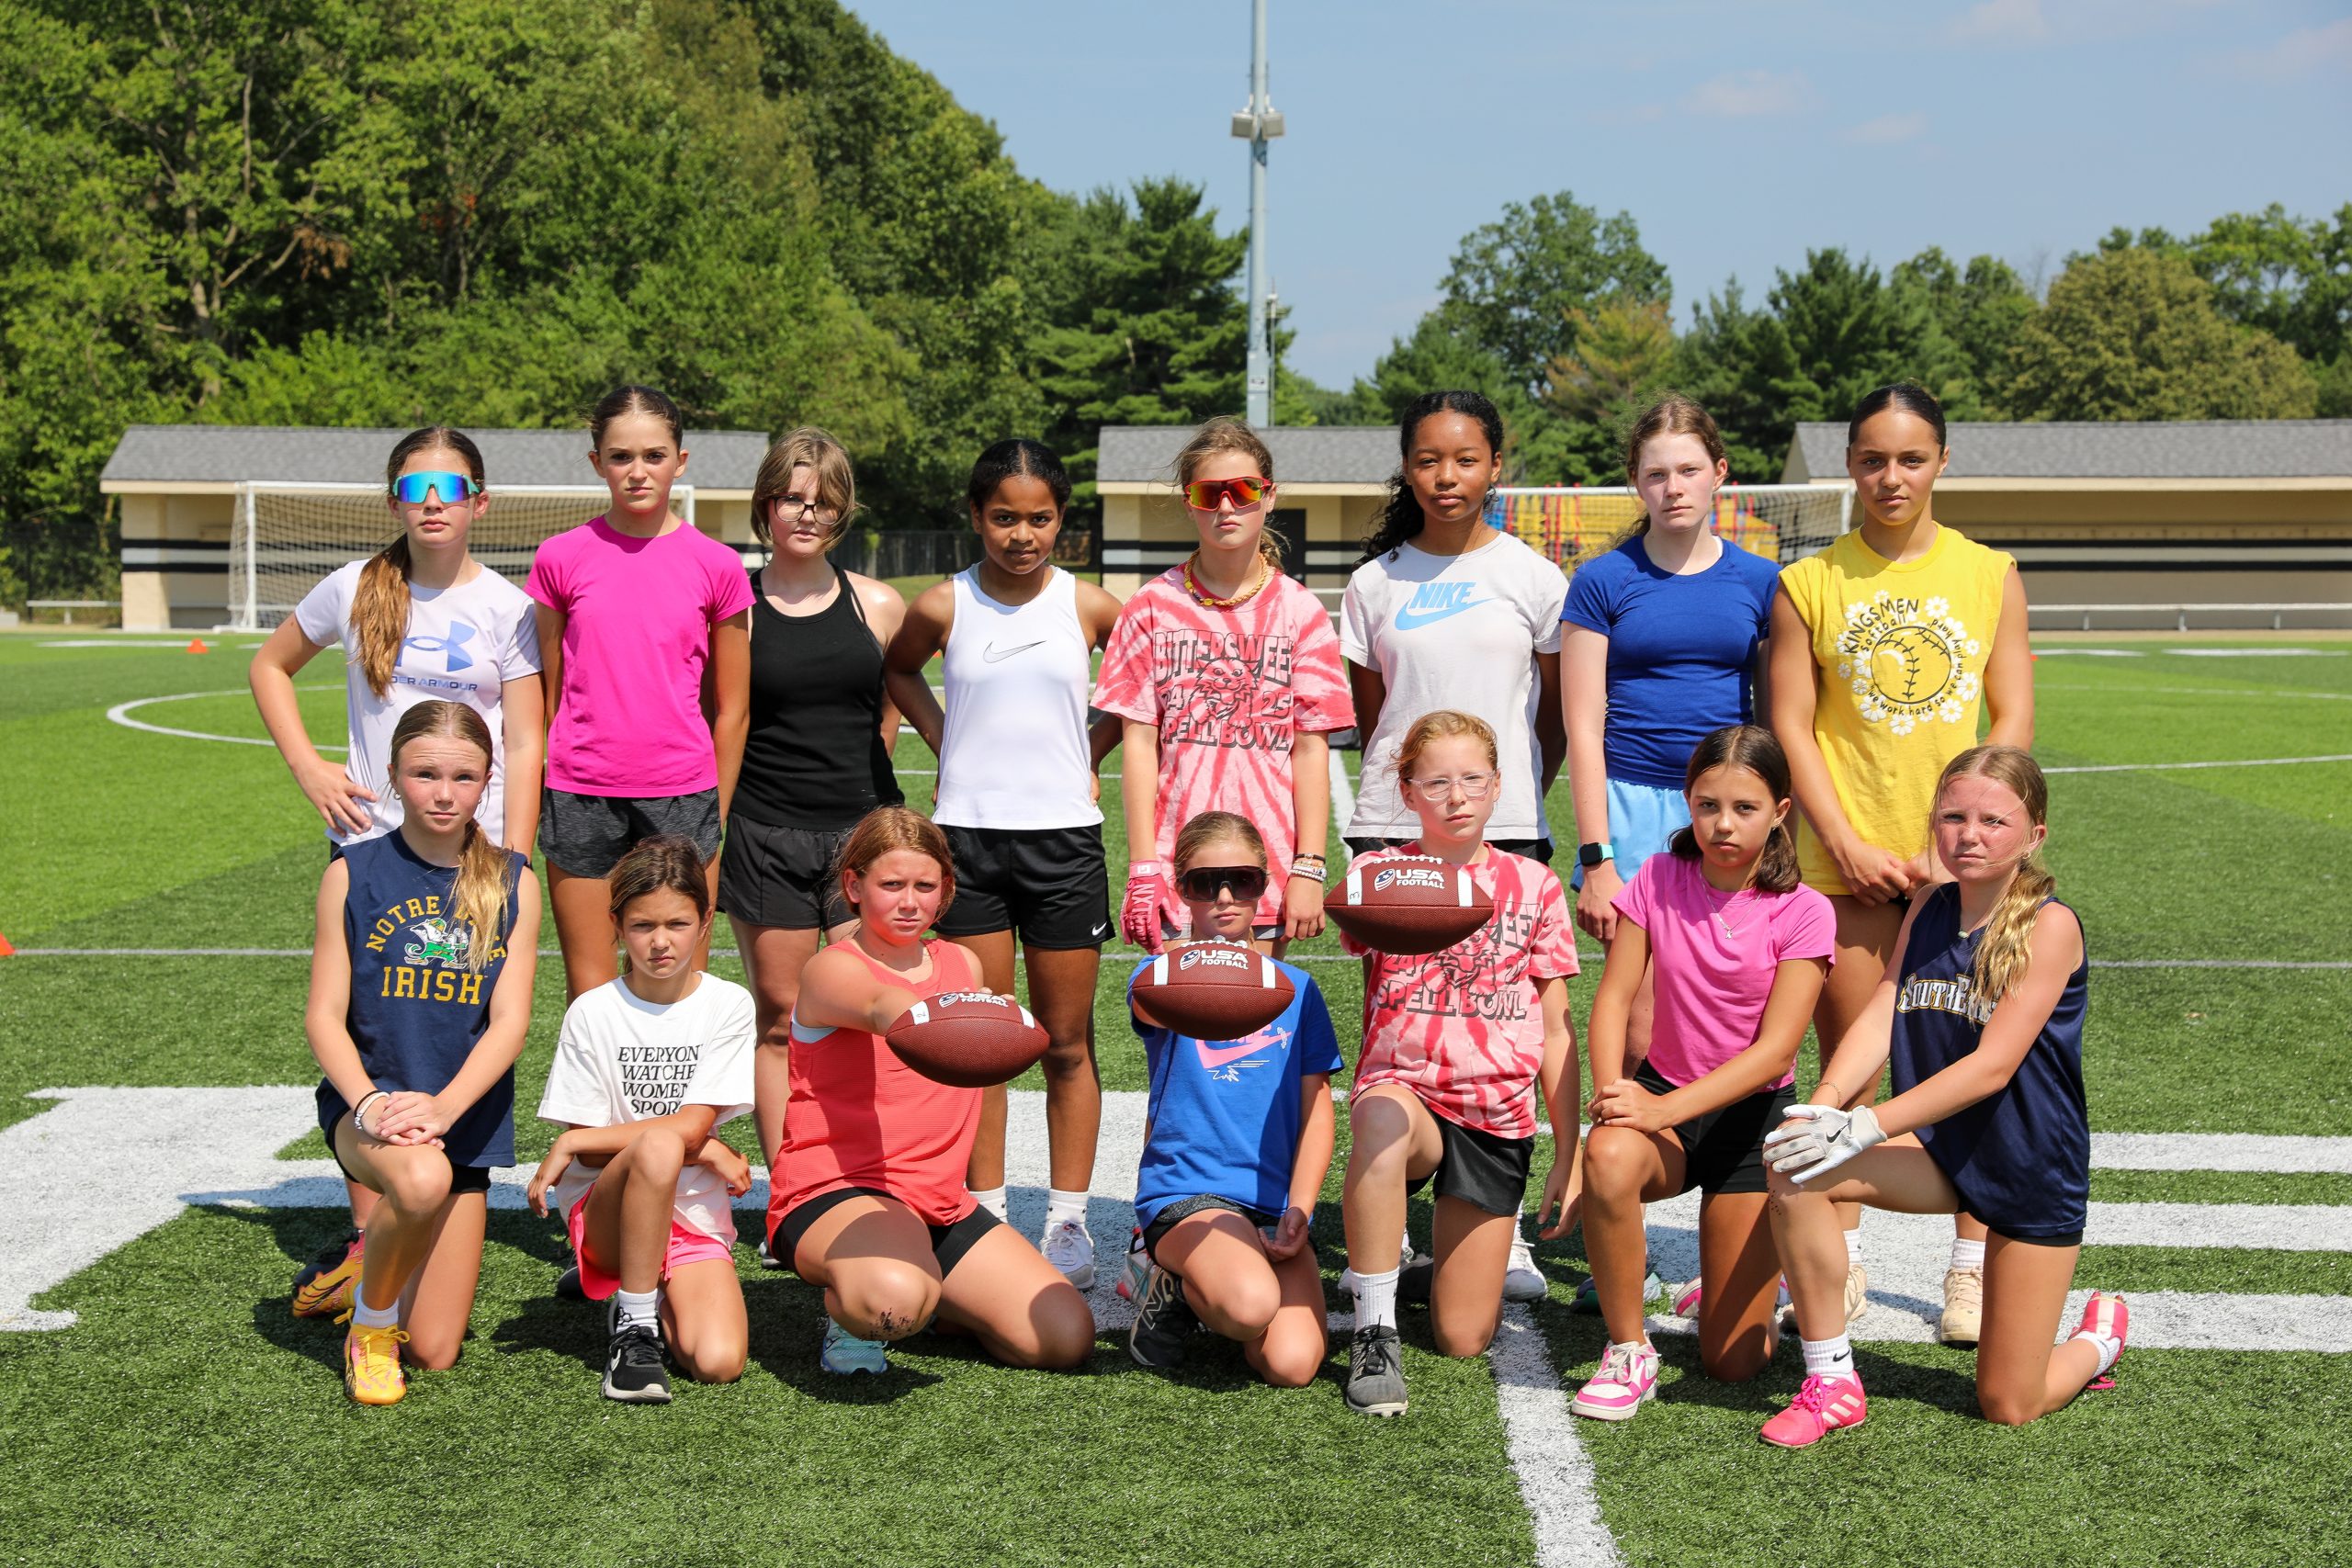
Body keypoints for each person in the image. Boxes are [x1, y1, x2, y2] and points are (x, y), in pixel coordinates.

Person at [1757, 745, 2120, 1447]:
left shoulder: (2050, 925)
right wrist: (1827, 1103)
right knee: (1794, 1163)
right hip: (1941, 1152)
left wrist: (1867, 1122)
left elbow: (1990, 1068)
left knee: (2008, 1401)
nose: (1970, 834)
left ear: (2035, 834)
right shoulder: (1927, 903)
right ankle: (1832, 1378)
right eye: (1953, 817)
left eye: (1993, 819)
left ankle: (2099, 1339)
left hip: (2027, 1169)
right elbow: (1883, 1009)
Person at [1769, 381, 2033, 1342]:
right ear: (1849, 464)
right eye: (1873, 458)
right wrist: (1839, 837)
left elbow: (2012, 721)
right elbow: (1790, 722)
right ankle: (1836, 1267)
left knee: (1971, 1069)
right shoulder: (1809, 583)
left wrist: (1952, 845)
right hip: (1846, 869)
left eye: (1910, 458)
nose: (1891, 476)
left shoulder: (1987, 573)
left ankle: (1969, 1268)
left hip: (1964, 867)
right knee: (1850, 1071)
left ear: (1941, 463)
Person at [254, 427, 543, 1302]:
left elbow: (526, 737)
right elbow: (271, 666)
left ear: (479, 503)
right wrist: (310, 768)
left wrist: (517, 854)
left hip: (475, 858)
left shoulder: (507, 605)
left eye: (449, 487)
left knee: (456, 1019)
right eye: (415, 486)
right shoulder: (354, 587)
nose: (432, 501)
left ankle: (383, 1255)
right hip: (372, 844)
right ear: (393, 502)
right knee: (376, 1029)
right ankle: (366, 1240)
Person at [1341, 388, 1569, 1306]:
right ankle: (1388, 1221)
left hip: (1503, 823)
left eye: (1465, 459)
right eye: (1429, 460)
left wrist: (1515, 791)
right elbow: (1373, 719)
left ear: (1494, 467)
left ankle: (1497, 1221)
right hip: (1396, 828)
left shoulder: (1535, 577)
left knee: (1506, 1025)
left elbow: (1551, 710)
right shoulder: (1372, 582)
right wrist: (1407, 805)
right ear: (1407, 468)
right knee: (1397, 1027)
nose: (1447, 476)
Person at [883, 439, 1123, 1286]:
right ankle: (978, 1210)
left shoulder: (1090, 607)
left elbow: (1136, 694)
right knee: (979, 1040)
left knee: (1063, 1042)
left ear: (1063, 519)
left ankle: (1065, 1221)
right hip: (969, 844)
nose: (1022, 534)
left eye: (1040, 517)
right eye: (1004, 517)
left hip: (1064, 843)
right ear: (977, 515)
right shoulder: (945, 603)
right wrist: (946, 739)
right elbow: (900, 668)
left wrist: (1087, 748)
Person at [768, 807, 1095, 1375]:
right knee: (890, 1303)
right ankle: (855, 1308)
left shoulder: (963, 964)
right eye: (891, 885)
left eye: (925, 886)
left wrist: (991, 1016)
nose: (909, 902)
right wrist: (979, 1018)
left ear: (946, 890)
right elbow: (883, 1007)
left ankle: (941, 1297)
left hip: (939, 1202)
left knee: (1064, 1338)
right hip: (839, 1191)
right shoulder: (832, 969)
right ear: (854, 885)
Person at [1567, 726, 1832, 1420]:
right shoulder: (1657, 876)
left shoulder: (1806, 911)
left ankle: (1735, 1291)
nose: (1723, 824)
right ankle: (1629, 1348)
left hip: (1753, 1123)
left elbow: (1777, 1053)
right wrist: (1615, 1098)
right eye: (1708, 804)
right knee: (1610, 1154)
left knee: (1732, 1362)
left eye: (1745, 808)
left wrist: (1664, 1109)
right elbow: (1614, 999)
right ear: (1688, 801)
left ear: (1780, 809)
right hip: (1665, 1099)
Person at [1338, 711, 1581, 1418]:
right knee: (1381, 1119)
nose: (1456, 795)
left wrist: (1567, 1150)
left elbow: (1558, 1031)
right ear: (1407, 791)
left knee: (1462, 1335)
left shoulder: (1534, 884)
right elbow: (1367, 987)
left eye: (1473, 778)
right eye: (1436, 781)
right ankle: (1375, 1327)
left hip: (1495, 1113)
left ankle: (1426, 1267)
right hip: (1406, 1095)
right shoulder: (1378, 874)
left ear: (1499, 785)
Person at [303, 701, 537, 1405]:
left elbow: (510, 1023)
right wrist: (371, 1104)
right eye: (425, 773)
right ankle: (371, 1327)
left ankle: (360, 1271)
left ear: (487, 781)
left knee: (436, 1349)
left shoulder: (513, 882)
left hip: (460, 1122)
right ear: (394, 776)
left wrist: (443, 1107)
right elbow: (322, 1017)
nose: (444, 792)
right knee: (420, 1180)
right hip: (369, 1117)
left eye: (463, 776)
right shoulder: (352, 873)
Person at [717, 428, 905, 1203]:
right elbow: (724, 720)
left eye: (822, 502)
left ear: (842, 512)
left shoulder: (879, 604)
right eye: (792, 498)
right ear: (767, 505)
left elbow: (889, 715)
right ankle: (790, 1186)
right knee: (781, 1017)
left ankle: (873, 1177)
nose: (806, 513)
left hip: (863, 840)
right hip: (766, 831)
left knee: (870, 1012)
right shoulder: (736, 610)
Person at [1096, 417, 1353, 959]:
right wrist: (1144, 869)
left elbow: (1311, 749)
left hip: (1266, 867)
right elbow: (1138, 744)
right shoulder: (1149, 607)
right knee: (1178, 1033)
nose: (1226, 506)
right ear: (1189, 502)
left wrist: (1309, 866)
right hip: (1176, 872)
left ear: (1269, 496)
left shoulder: (1302, 612)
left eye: (1243, 490)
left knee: (1255, 1032)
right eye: (1209, 493)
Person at [528, 385, 753, 1000]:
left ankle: (681, 1104)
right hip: (580, 794)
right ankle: (602, 1104)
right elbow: (546, 689)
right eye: (621, 456)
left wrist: (717, 808)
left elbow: (732, 709)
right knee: (592, 988)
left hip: (683, 795)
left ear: (681, 461)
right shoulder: (559, 558)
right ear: (596, 462)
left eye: (654, 455)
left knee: (681, 985)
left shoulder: (718, 565)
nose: (637, 471)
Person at [528, 835, 757, 1404]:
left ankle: (647, 1294)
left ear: (705, 922)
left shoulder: (728, 1005)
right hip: (606, 1212)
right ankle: (634, 1328)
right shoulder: (593, 1011)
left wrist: (577, 1139)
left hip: (693, 1214)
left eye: (677, 924)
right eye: (641, 926)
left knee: (719, 1361)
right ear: (616, 924)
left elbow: (690, 1125)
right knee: (657, 1146)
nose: (660, 943)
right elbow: (605, 1153)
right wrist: (705, 1151)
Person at [1124, 812, 1341, 1386]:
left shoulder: (1298, 989)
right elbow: (1147, 1005)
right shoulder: (1158, 974)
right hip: (1189, 1192)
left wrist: (1301, 1207)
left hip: (1270, 1204)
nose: (1223, 897)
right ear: (1180, 890)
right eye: (1203, 883)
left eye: (1241, 881)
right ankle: (1163, 1270)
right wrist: (1203, 962)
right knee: (1247, 1305)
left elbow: (1318, 1110)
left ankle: (1205, 1285)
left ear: (1263, 884)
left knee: (1292, 1366)